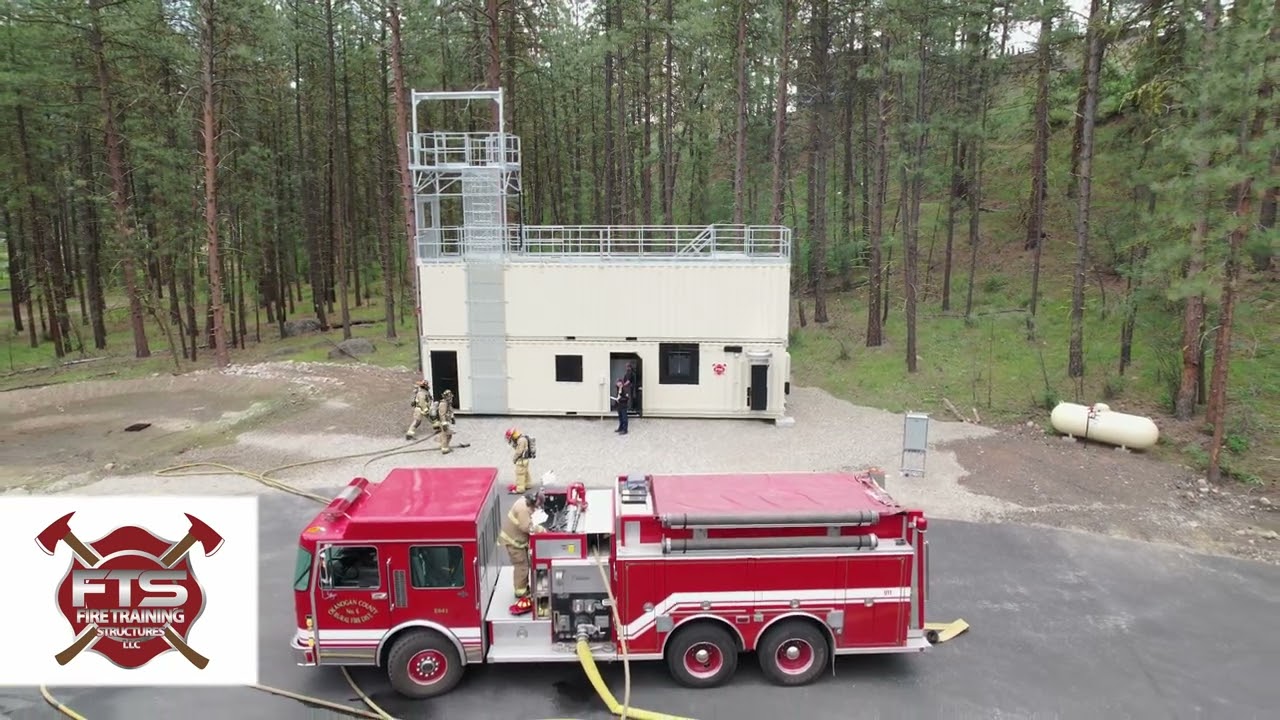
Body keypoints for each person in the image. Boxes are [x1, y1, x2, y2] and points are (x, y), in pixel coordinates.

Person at [497, 488, 546, 615]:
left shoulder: (524, 501)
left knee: (524, 564)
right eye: (537, 507)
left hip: (517, 540)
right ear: (533, 502)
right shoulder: (523, 510)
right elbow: (526, 527)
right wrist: (541, 529)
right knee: (522, 566)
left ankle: (523, 586)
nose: (537, 509)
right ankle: (521, 592)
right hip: (514, 542)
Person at [505, 428, 532, 494]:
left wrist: (514, 459)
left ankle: (520, 488)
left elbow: (519, 451)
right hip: (525, 460)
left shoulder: (521, 441)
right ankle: (528, 484)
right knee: (525, 472)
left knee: (520, 474)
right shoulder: (522, 439)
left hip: (521, 461)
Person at [437, 389, 455, 454]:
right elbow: (442, 414)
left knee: (448, 435)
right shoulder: (443, 403)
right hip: (443, 422)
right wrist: (444, 423)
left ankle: (444, 445)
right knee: (445, 435)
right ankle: (444, 448)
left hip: (447, 421)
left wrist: (452, 418)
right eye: (449, 396)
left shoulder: (448, 403)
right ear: (446, 396)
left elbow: (450, 411)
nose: (451, 398)